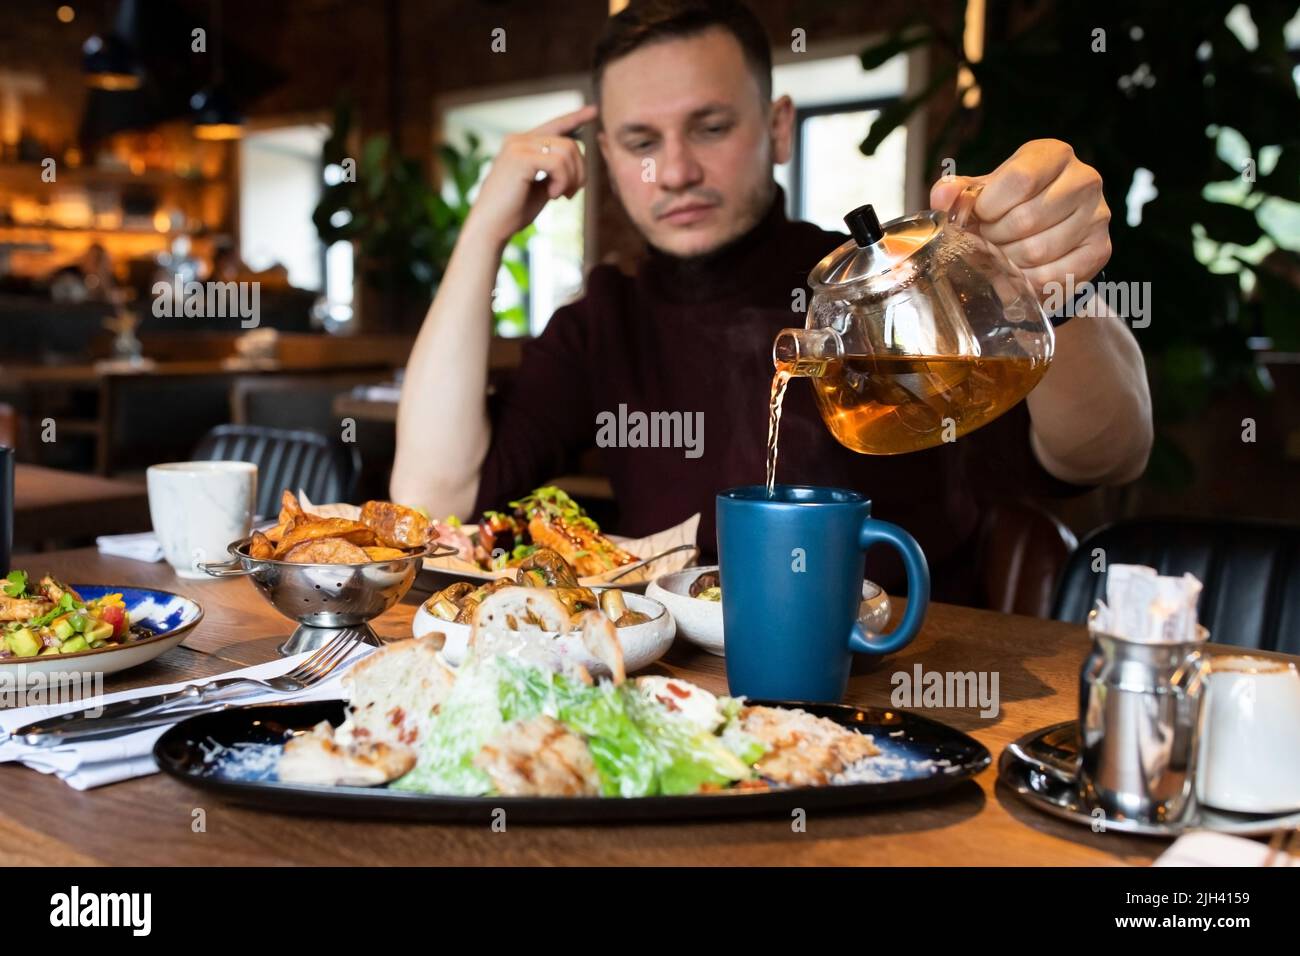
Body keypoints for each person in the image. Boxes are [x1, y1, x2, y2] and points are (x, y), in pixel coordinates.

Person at [392, 0, 1152, 605]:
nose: (679, 169)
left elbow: (1104, 455)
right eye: (640, 141)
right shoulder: (603, 322)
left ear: (779, 127)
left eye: (711, 125)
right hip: (680, 707)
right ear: (611, 161)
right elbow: (433, 500)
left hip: (902, 689)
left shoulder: (884, 284)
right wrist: (483, 230)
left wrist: (1050, 282)